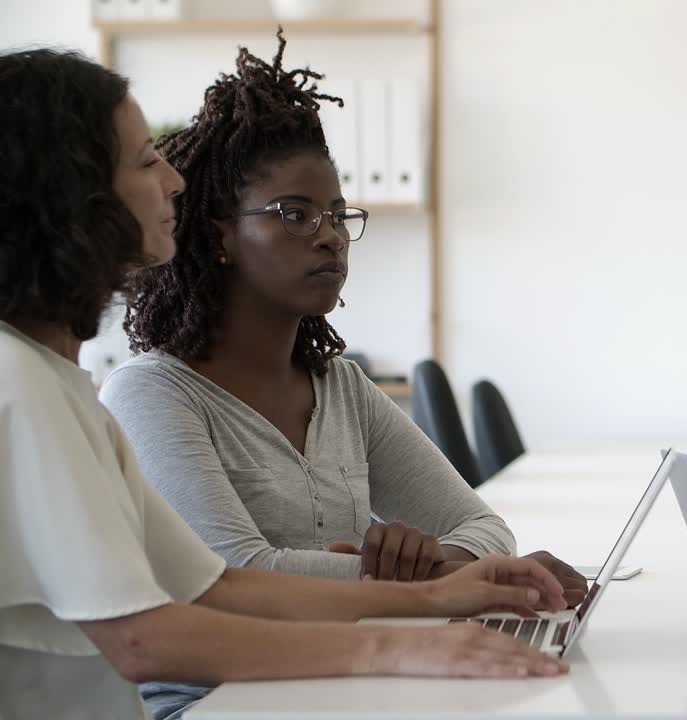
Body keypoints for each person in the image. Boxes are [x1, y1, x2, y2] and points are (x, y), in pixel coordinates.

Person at [0, 47, 569, 720]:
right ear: (74, 192)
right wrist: (397, 645)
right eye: (145, 160)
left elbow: (217, 586)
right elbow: (140, 637)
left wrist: (441, 596)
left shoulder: (55, 382)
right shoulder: (23, 383)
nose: (175, 182)